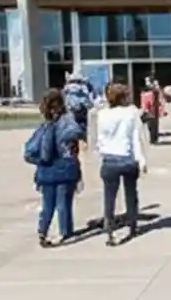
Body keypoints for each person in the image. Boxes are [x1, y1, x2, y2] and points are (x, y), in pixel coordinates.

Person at [33, 88, 86, 247]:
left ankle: (43, 230)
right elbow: (78, 133)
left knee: (47, 204)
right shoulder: (66, 120)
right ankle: (65, 231)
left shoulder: (44, 125)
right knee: (64, 202)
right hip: (65, 167)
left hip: (46, 169)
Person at [95, 83, 147, 246]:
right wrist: (141, 159)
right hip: (127, 157)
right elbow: (136, 137)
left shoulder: (102, 114)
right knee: (131, 193)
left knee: (109, 197)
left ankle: (110, 228)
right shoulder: (131, 112)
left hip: (109, 158)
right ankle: (132, 224)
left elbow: (100, 137)